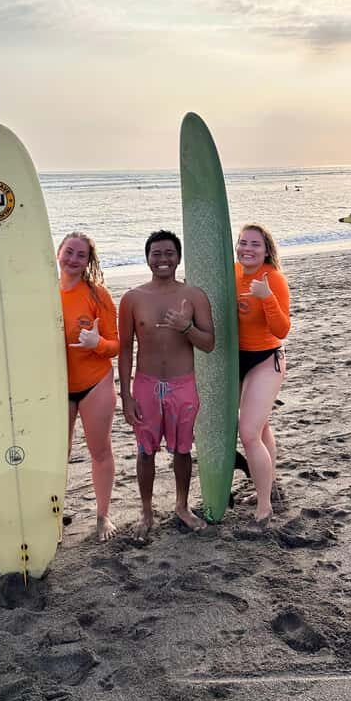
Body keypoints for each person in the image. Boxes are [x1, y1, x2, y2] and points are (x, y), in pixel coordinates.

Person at [118, 230, 215, 540]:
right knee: (146, 451)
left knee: (183, 450)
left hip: (182, 384)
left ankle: (182, 506)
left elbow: (209, 343)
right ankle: (147, 511)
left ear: (178, 257)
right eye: (156, 254)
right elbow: (124, 349)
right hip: (146, 385)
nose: (163, 259)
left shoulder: (195, 296)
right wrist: (125, 395)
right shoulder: (132, 298)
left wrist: (185, 327)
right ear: (147, 258)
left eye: (169, 253)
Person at [58, 231, 119, 542]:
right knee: (56, 455)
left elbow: (116, 345)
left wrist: (97, 343)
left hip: (95, 383)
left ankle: (102, 515)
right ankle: (52, 519)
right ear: (58, 252)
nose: (73, 259)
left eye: (81, 255)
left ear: (88, 261)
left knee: (99, 450)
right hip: (55, 387)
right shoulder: (39, 292)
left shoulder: (98, 296)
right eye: (69, 251)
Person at [235, 222, 291, 526]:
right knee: (262, 428)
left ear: (266, 249)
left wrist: (267, 297)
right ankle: (266, 484)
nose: (247, 249)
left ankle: (265, 504)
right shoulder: (232, 272)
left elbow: (282, 330)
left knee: (248, 433)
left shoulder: (274, 279)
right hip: (238, 359)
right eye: (243, 242)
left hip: (266, 359)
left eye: (255, 244)